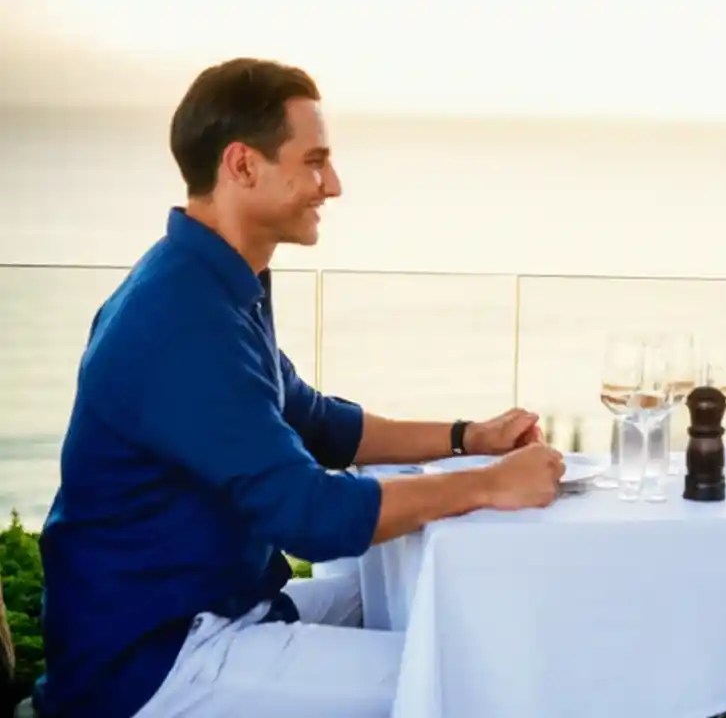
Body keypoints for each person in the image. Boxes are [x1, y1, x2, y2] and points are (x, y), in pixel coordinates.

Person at [34, 57, 566, 718]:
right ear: (242, 165)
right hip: (155, 659)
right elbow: (309, 515)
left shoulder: (216, 279)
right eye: (314, 161)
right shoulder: (183, 320)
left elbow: (315, 422)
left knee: (453, 612)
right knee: (470, 681)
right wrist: (488, 482)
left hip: (220, 604)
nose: (333, 185)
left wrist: (469, 438)